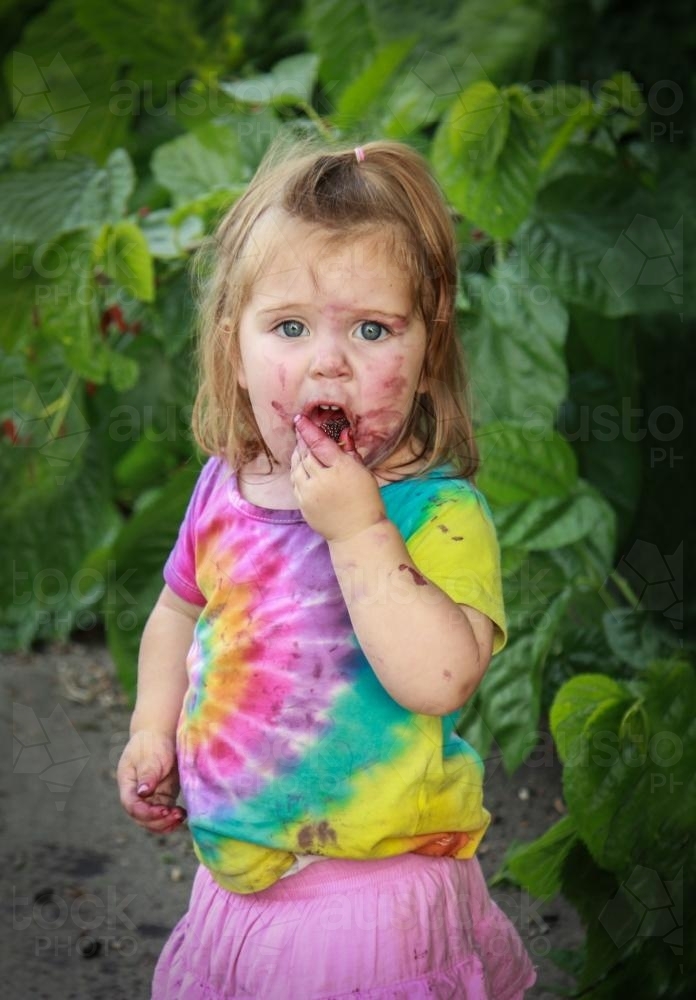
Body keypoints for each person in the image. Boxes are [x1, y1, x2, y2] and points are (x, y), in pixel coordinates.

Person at [117, 135, 537, 999]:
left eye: (373, 329)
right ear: (236, 349)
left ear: (427, 355)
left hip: (369, 904)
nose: (328, 360)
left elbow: (443, 677)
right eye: (291, 327)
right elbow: (176, 612)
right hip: (234, 887)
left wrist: (357, 533)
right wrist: (151, 728)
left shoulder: (435, 514)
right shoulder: (225, 489)